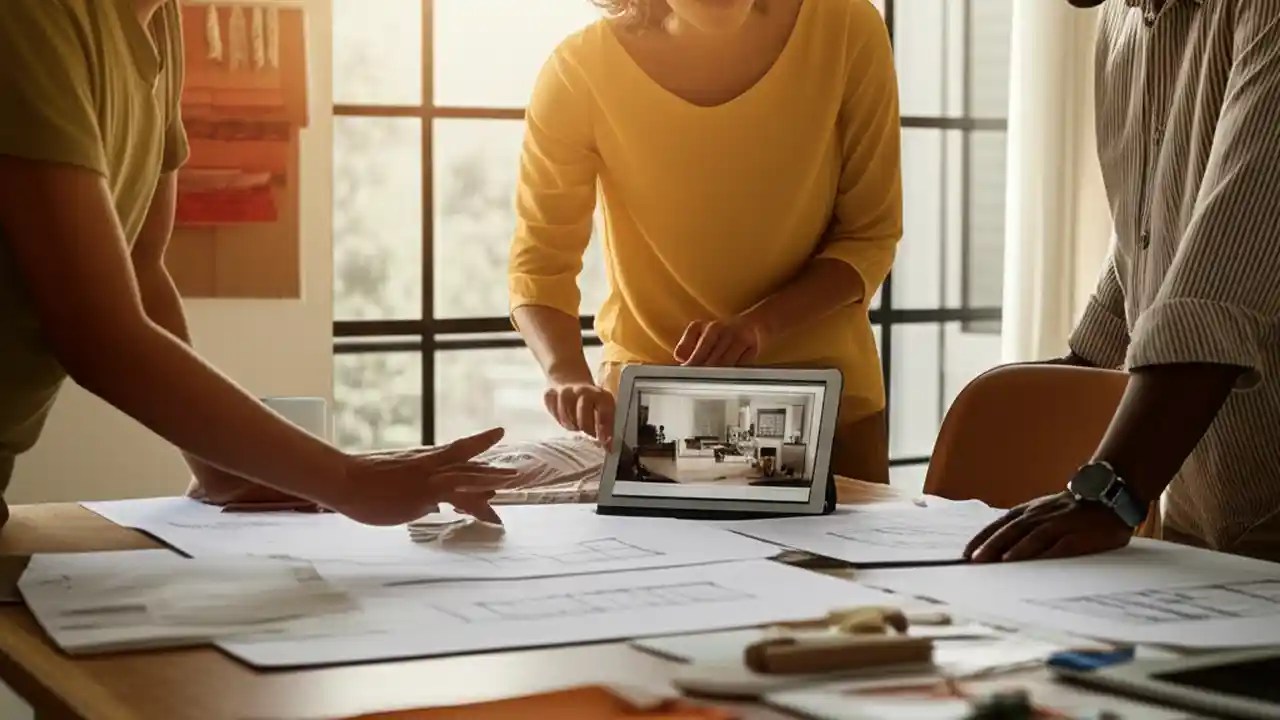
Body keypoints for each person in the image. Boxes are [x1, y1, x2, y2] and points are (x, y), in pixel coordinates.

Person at [0, 0, 510, 529]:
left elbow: (143, 271)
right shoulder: (30, 16)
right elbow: (96, 331)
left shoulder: (161, 21)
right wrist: (348, 482)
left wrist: (218, 470)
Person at [509, 0, 902, 484]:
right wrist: (567, 376)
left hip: (828, 405)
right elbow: (541, 264)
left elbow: (868, 236)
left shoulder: (846, 26)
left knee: (839, 561)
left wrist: (759, 327)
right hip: (654, 411)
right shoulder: (579, 71)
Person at [966, 0, 1280, 563]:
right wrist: (1086, 358)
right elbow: (1148, 227)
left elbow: (1224, 269)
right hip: (1199, 497)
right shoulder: (1118, 22)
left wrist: (1111, 491)